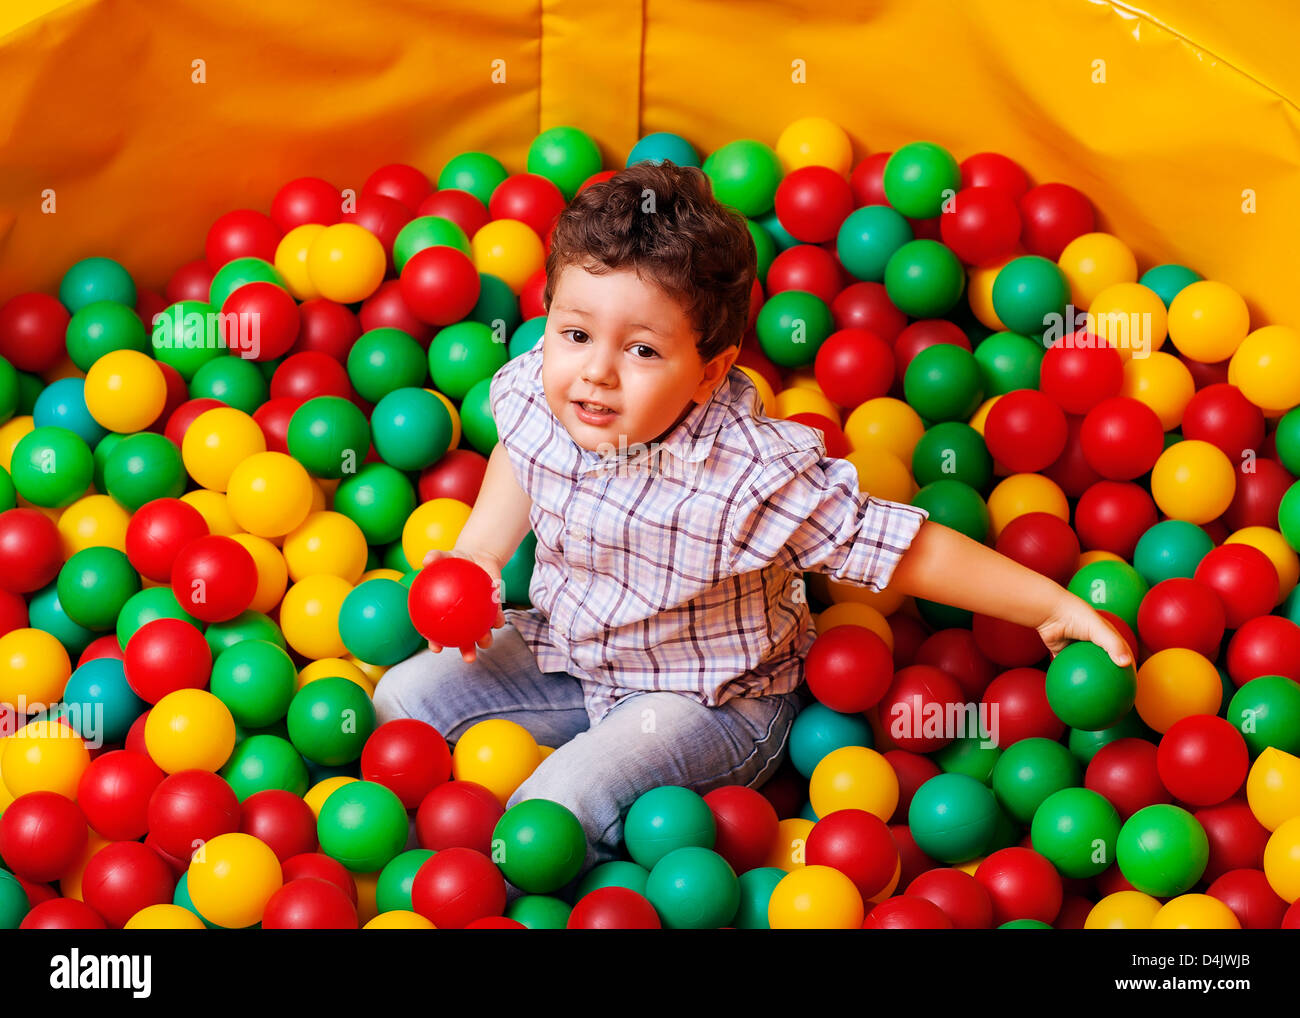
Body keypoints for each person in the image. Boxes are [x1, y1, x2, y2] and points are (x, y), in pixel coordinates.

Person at [374, 159, 1132, 901]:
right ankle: (396, 870)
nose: (595, 372)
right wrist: (479, 552)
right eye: (575, 333)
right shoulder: (545, 388)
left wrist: (1053, 606)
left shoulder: (747, 478)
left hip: (714, 700)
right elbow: (522, 450)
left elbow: (907, 548)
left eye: (642, 350)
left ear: (710, 372)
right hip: (570, 651)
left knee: (549, 809)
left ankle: (493, 893)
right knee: (401, 699)